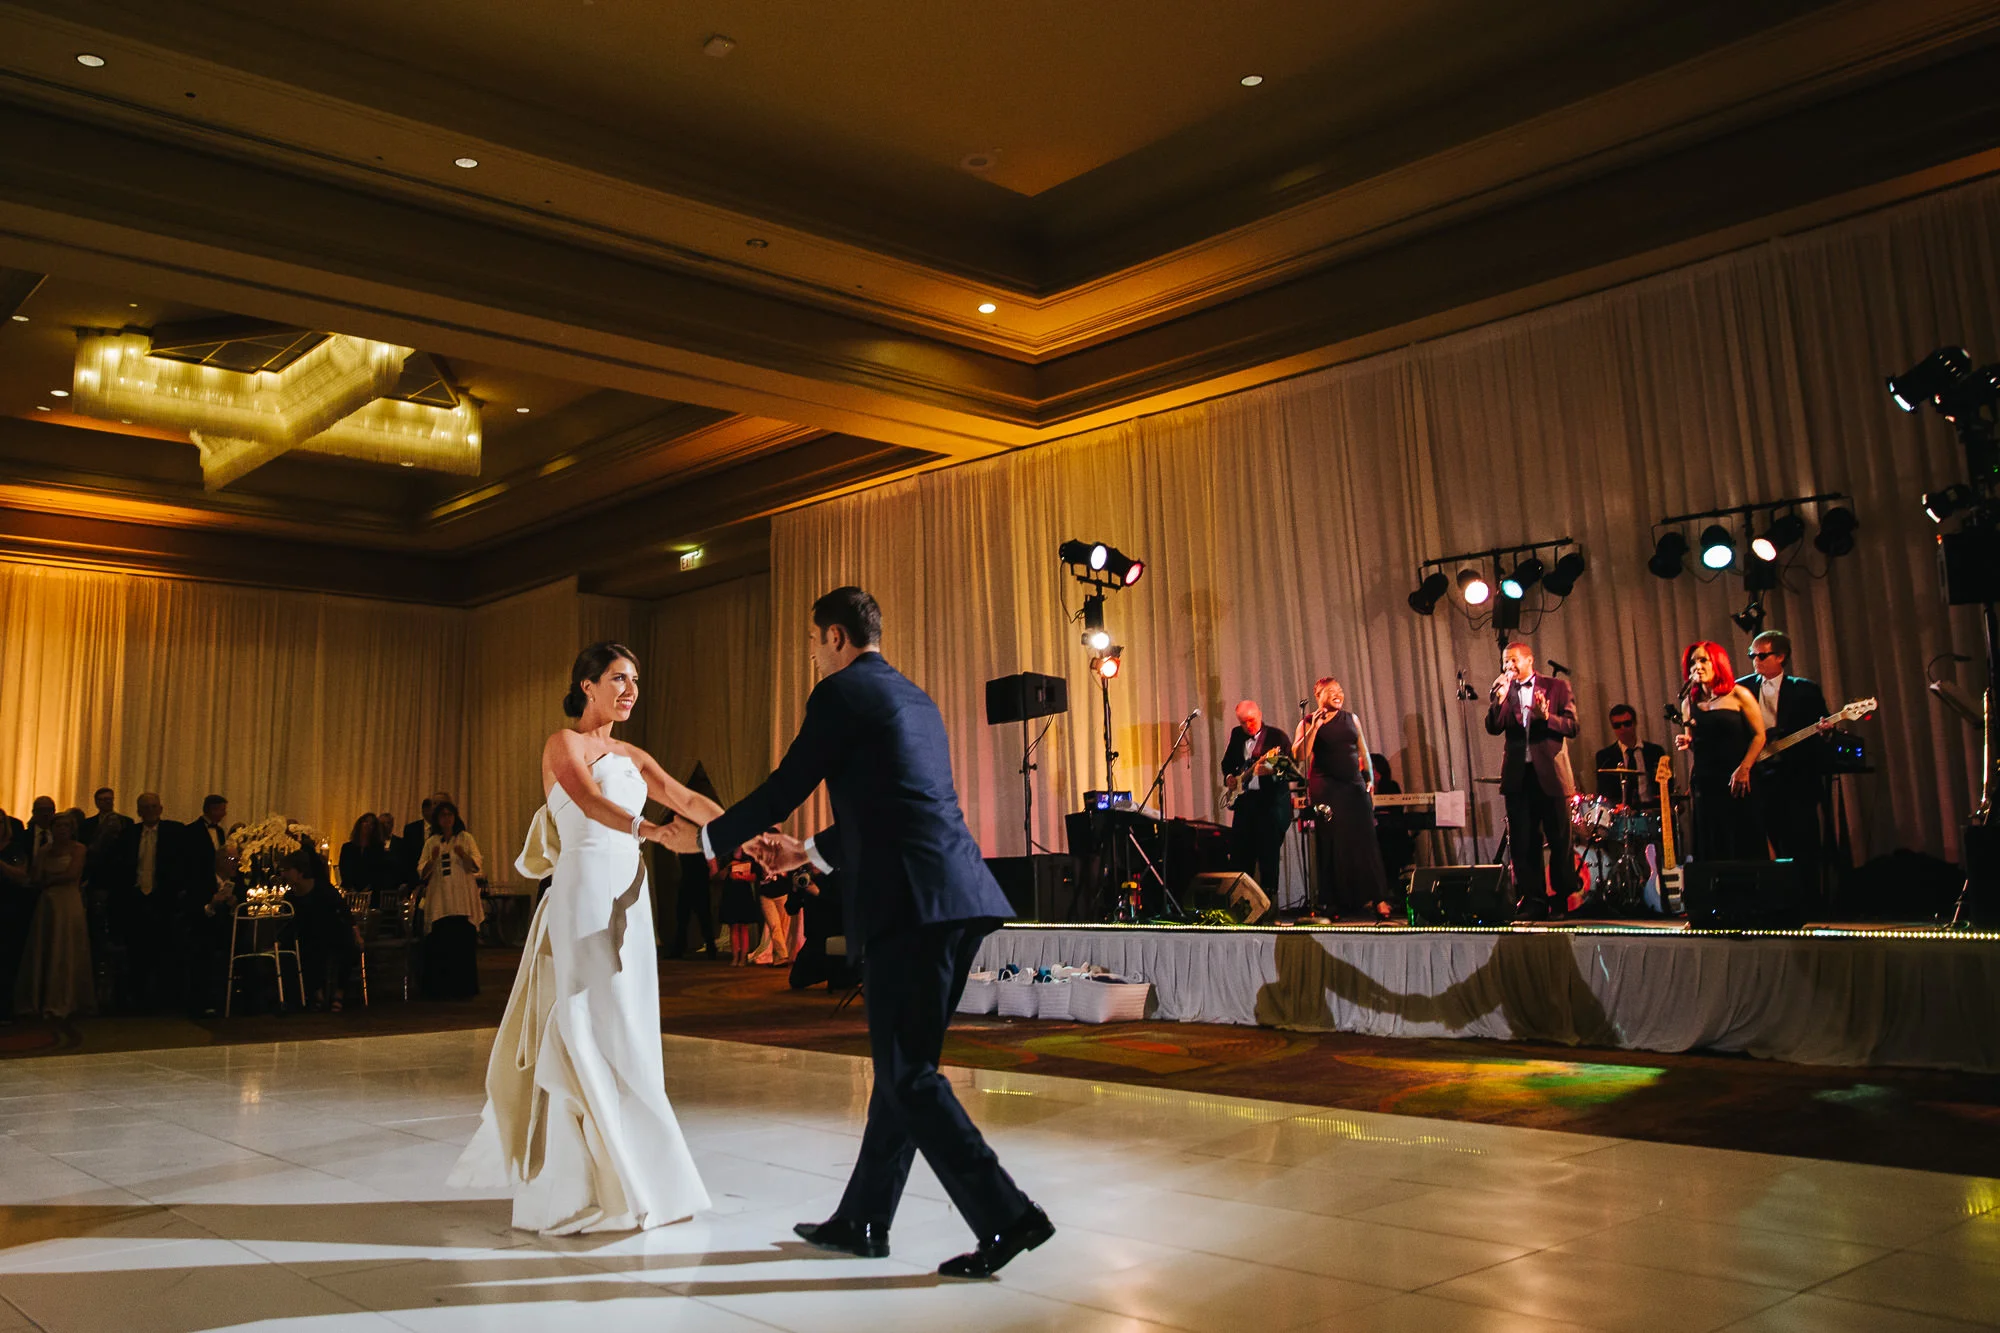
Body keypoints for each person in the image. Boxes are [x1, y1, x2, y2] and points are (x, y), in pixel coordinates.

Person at [705, 586, 1051, 1279]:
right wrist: (805, 852)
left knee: (908, 1074)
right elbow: (894, 803)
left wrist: (710, 838)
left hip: (910, 904)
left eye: (813, 641)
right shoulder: (915, 699)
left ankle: (1008, 1214)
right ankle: (863, 1219)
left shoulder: (839, 693)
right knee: (904, 1068)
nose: (812, 655)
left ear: (835, 636)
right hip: (958, 895)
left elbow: (785, 786)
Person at [450, 640, 720, 1235]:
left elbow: (686, 799)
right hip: (584, 890)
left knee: (630, 1022)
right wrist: (652, 830)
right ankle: (583, 1184)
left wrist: (749, 834)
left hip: (629, 894)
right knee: (585, 1023)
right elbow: (590, 802)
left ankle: (637, 1176)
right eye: (619, 678)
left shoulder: (633, 755)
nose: (631, 690)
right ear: (587, 685)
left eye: (636, 680)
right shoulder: (563, 744)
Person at [1485, 642, 1581, 919]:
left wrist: (1546, 717)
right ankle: (1533, 900)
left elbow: (1572, 726)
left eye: (1513, 660)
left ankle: (1562, 900)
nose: (1508, 666)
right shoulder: (1505, 690)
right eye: (1505, 661)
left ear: (1529, 660)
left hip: (1551, 775)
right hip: (1519, 775)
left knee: (1560, 840)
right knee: (1523, 842)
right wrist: (1499, 699)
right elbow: (1493, 727)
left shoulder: (1557, 687)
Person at [1738, 629, 1833, 896]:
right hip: (1757, 777)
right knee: (1759, 843)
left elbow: (1822, 726)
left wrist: (1826, 732)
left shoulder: (1804, 689)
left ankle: (1805, 898)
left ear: (1781, 656)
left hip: (1795, 779)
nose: (1756, 661)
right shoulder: (1741, 688)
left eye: (1762, 656)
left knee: (1800, 843)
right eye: (1752, 656)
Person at [1293, 678, 1391, 920]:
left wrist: (1369, 779)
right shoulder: (1308, 721)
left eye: (1340, 690)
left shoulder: (1351, 718)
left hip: (1353, 786)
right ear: (1318, 695)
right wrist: (1315, 728)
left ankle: (1378, 897)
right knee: (1332, 842)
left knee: (1366, 840)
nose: (1338, 694)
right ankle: (1333, 902)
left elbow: (1363, 750)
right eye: (1331, 691)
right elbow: (1299, 755)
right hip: (1326, 787)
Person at [1676, 640, 1768, 861]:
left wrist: (1744, 768)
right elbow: (1695, 742)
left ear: (1717, 663)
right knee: (1713, 844)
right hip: (1707, 781)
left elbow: (1759, 735)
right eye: (1692, 662)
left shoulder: (1738, 694)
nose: (1697, 667)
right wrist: (1688, 742)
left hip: (1738, 778)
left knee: (1743, 842)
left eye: (1703, 660)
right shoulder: (1688, 703)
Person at [2, 811, 95, 1018]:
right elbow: (34, 875)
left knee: (66, 944)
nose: (62, 830)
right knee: (46, 946)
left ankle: (67, 997)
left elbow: (72, 874)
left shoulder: (79, 849)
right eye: (58, 826)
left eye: (66, 826)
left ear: (72, 829)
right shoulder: (45, 850)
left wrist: (48, 881)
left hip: (67, 901)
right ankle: (42, 997)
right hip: (47, 902)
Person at [102, 793, 183, 1013]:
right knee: (136, 952)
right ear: (138, 811)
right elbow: (119, 867)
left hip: (163, 900)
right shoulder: (128, 834)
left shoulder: (174, 833)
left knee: (163, 951)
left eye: (153, 806)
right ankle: (137, 1001)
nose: (150, 811)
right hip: (135, 900)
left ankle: (161, 1001)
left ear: (161, 809)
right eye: (145, 807)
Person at [1220, 700, 1294, 899]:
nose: (1248, 726)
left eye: (1251, 720)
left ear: (1260, 715)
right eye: (1243, 722)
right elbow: (1227, 763)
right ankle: (1241, 903)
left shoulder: (1277, 737)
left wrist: (1271, 770)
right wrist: (1229, 777)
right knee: (1239, 857)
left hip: (1269, 805)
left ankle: (1269, 905)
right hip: (1245, 804)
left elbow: (1290, 767)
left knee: (1268, 858)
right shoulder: (1237, 735)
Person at [279, 847, 361, 1011]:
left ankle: (338, 993)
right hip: (309, 936)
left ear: (300, 872)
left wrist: (356, 933)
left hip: (333, 931)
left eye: (287, 870)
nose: (284, 874)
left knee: (347, 946)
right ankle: (315, 993)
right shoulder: (290, 897)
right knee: (303, 949)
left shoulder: (323, 889)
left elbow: (344, 911)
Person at [417, 801, 484, 999]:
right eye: (442, 815)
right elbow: (422, 871)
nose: (446, 819)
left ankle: (463, 988)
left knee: (462, 943)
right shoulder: (432, 842)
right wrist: (432, 860)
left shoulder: (465, 838)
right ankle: (441, 988)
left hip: (462, 897)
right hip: (440, 898)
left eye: (449, 815)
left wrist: (463, 855)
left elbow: (476, 865)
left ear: (455, 817)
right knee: (440, 942)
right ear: (437, 819)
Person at [665, 763, 720, 960]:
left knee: (703, 915)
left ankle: (711, 949)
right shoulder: (684, 837)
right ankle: (680, 949)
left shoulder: (700, 836)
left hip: (699, 878)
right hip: (688, 879)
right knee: (683, 915)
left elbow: (710, 854)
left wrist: (713, 868)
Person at [1596, 704, 1668, 807]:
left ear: (1635, 723)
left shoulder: (1655, 751)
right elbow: (1604, 792)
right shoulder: (1605, 757)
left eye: (1627, 724)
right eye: (1617, 725)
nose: (1623, 729)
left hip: (1652, 808)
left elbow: (1666, 786)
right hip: (1621, 811)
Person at [1371, 752, 1418, 895]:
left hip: (1390, 835)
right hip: (1372, 835)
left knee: (1392, 843)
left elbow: (1396, 811)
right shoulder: (1362, 788)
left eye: (1373, 768)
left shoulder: (1391, 786)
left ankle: (1391, 890)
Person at [339, 813, 394, 905]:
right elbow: (344, 869)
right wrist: (351, 888)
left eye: (371, 824)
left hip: (371, 894)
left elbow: (378, 871)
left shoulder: (378, 849)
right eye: (366, 822)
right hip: (349, 892)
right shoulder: (347, 847)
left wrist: (367, 889)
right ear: (360, 824)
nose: (368, 825)